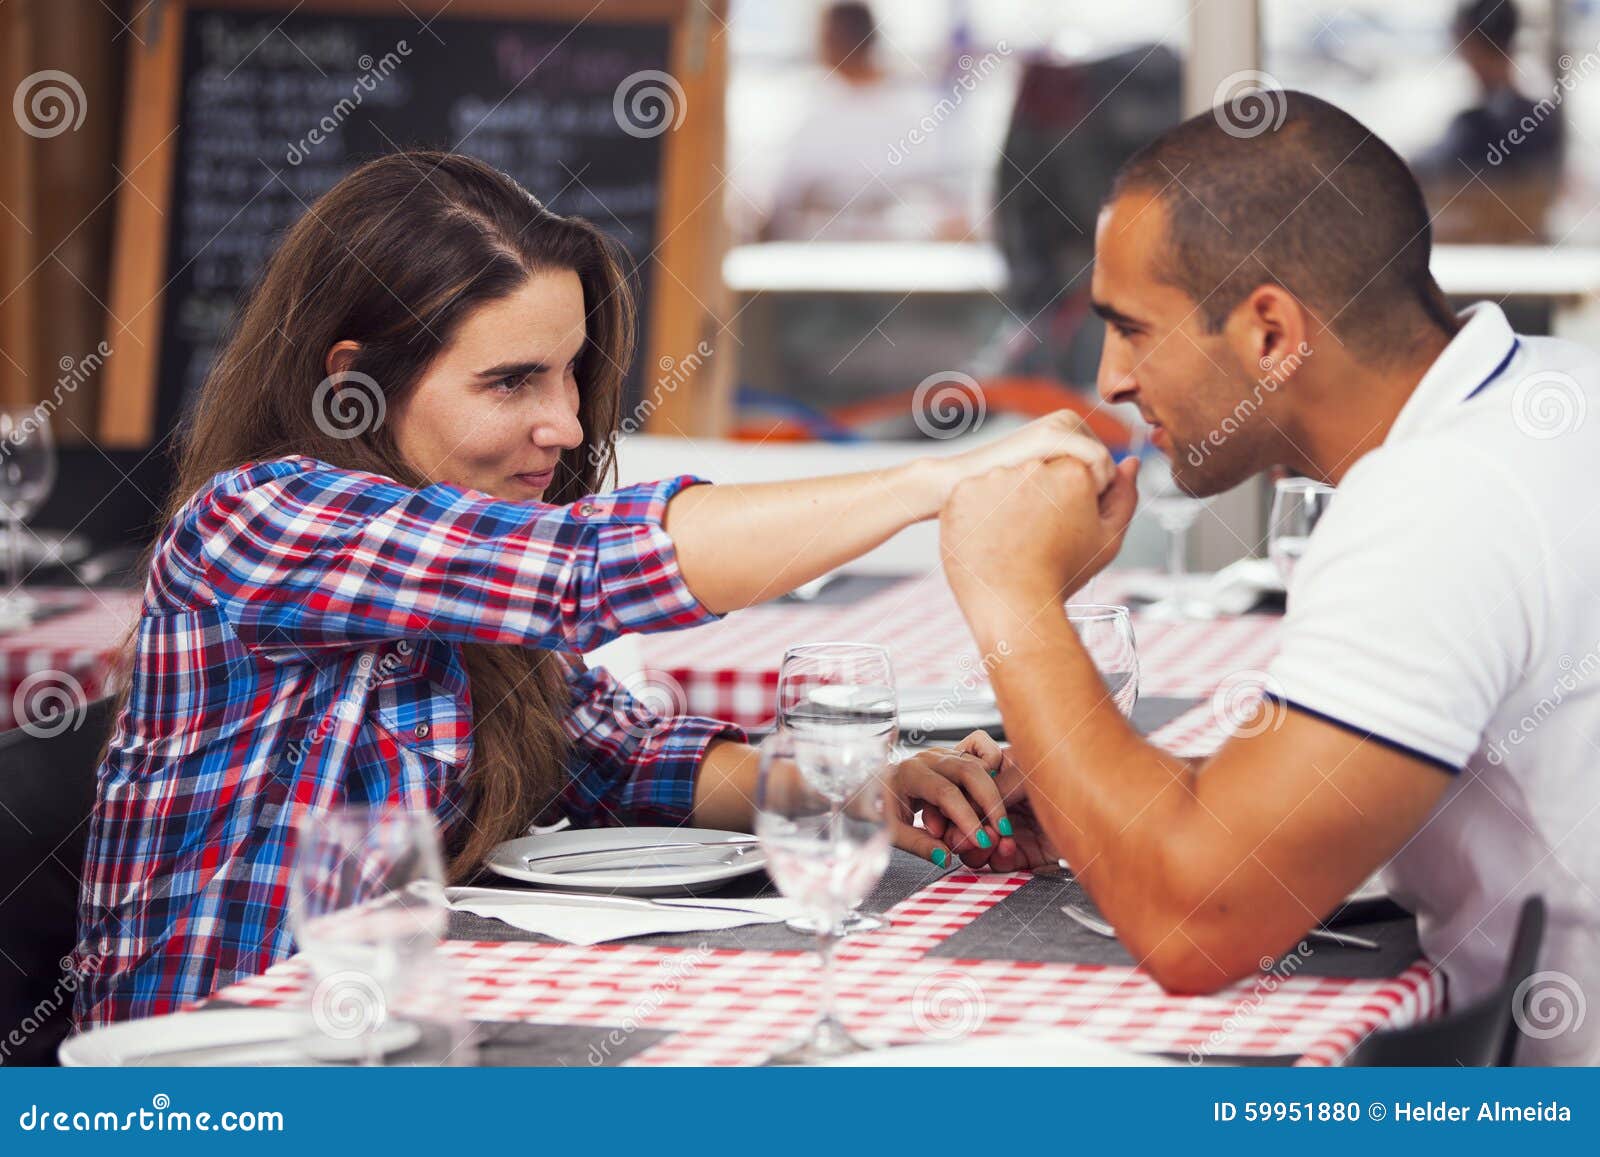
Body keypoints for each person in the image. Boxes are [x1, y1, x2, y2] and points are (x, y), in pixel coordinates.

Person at [73, 151, 1094, 1027]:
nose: (563, 423)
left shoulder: (456, 556)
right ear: (356, 380)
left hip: (382, 1034)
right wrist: (935, 480)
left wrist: (860, 787)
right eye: (511, 381)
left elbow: (618, 754)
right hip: (212, 1067)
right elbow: (586, 566)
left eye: (570, 373)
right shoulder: (258, 521)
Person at [937, 93, 1600, 1064]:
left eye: (1131, 327)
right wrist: (1101, 793)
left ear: (1269, 334)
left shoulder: (1437, 503)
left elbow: (1196, 922)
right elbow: (1312, 798)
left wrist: (1008, 593)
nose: (1109, 378)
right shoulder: (1547, 390)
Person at [761, 2, 971, 242]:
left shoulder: (815, 114)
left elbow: (781, 199)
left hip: (826, 251)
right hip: (901, 249)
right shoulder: (911, 110)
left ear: (832, 41)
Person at [1412, 0, 1561, 243]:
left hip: (1478, 253)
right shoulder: (1544, 120)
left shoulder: (1477, 126)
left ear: (1469, 44)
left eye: (1460, 45)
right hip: (1526, 254)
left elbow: (1419, 174)